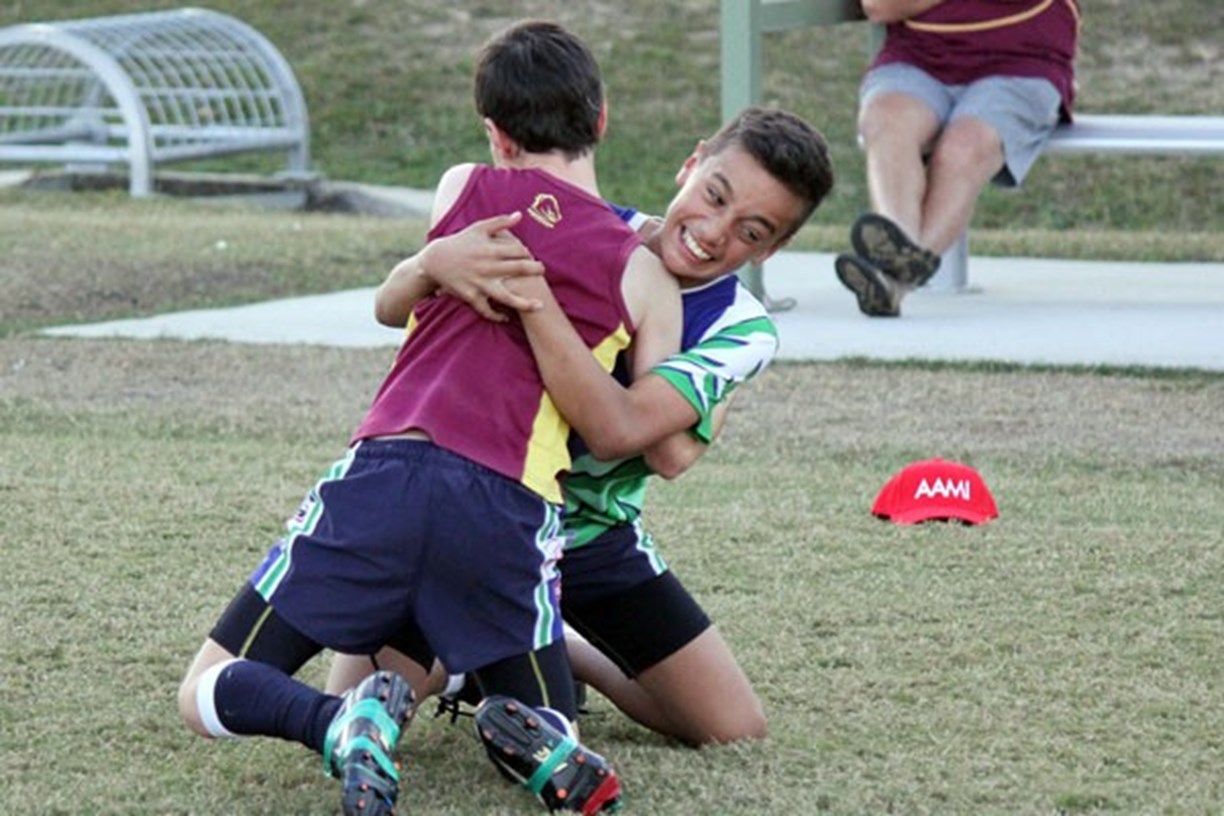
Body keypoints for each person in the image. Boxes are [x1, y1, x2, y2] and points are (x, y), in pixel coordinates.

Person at [176, 20, 682, 816]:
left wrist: (426, 265)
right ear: (602, 117)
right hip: (510, 501)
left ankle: (336, 724)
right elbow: (653, 432)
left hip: (385, 470)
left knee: (206, 686)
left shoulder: (459, 191)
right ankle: (537, 735)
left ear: (494, 135)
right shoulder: (647, 274)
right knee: (544, 710)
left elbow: (391, 310)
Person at [327, 106, 836, 748]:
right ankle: (468, 665)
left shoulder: (742, 325)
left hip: (590, 534)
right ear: (692, 162)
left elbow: (646, 446)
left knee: (732, 727)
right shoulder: (575, 218)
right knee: (346, 709)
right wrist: (432, 260)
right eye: (714, 195)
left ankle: (560, 649)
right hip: (476, 516)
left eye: (751, 230)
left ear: (775, 247)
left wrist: (532, 298)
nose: (713, 231)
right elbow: (670, 445)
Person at [835, 0, 1080, 317]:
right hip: (917, 59)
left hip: (1022, 64)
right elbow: (881, 5)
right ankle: (899, 248)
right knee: (885, 122)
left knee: (964, 148)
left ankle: (891, 278)